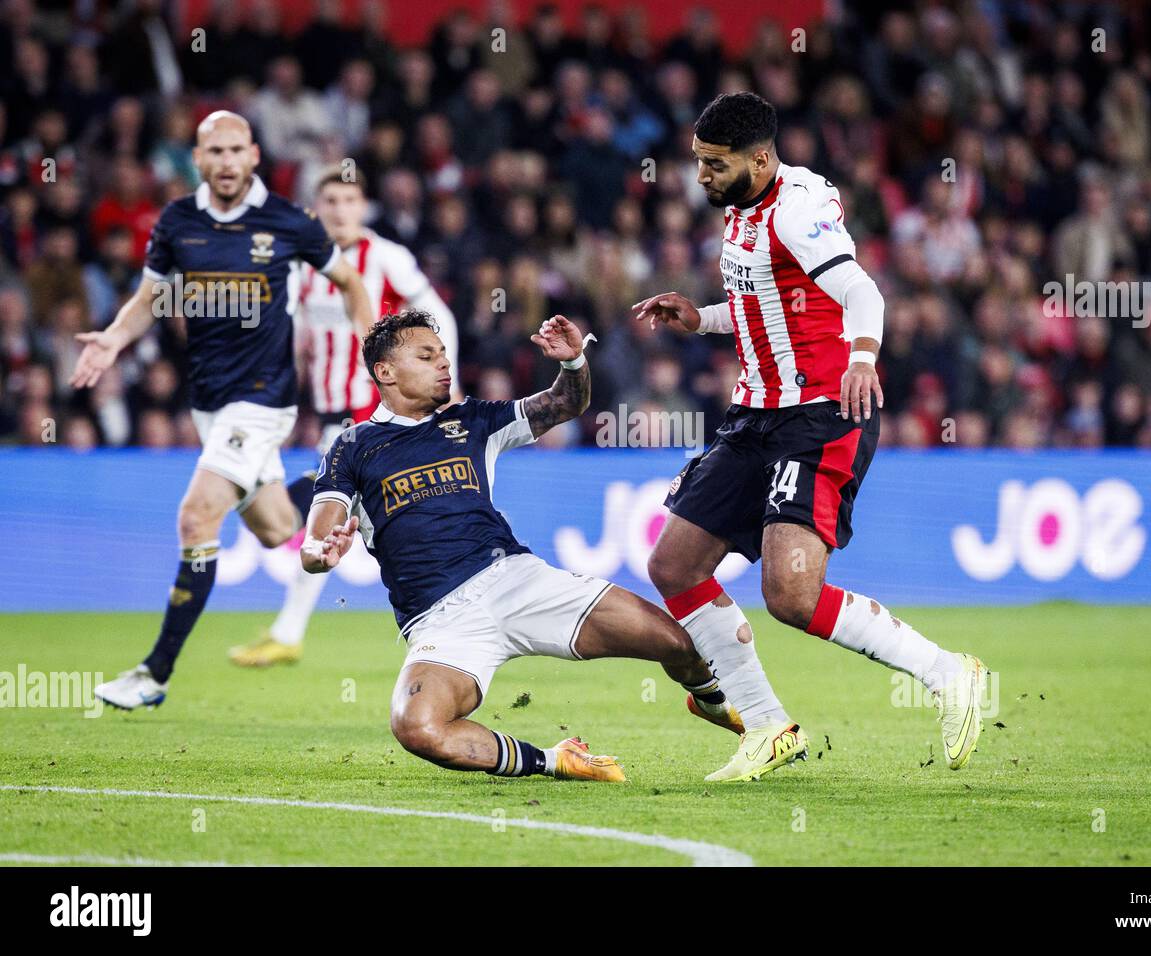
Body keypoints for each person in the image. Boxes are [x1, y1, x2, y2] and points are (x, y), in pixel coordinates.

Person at [633, 92, 986, 782]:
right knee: (674, 567)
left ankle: (948, 673)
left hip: (821, 414)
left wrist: (861, 357)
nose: (700, 176)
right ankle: (767, 727)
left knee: (791, 595)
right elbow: (769, 310)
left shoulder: (798, 211)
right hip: (754, 416)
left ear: (759, 158)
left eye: (714, 164)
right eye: (698, 162)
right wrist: (700, 319)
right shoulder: (742, 210)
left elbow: (864, 295)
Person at [301, 309, 743, 781]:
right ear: (385, 372)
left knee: (677, 643)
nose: (444, 365)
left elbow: (563, 404)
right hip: (441, 622)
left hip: (516, 581)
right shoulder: (353, 446)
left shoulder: (471, 420)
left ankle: (716, 705)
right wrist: (320, 552)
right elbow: (314, 540)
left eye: (444, 354)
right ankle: (558, 760)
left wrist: (573, 363)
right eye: (427, 356)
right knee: (417, 727)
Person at [76, 111, 375, 709]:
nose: (228, 161)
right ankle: (345, 489)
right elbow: (150, 297)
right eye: (216, 151)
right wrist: (113, 337)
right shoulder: (178, 222)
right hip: (211, 403)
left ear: (255, 154)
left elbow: (351, 282)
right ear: (199, 157)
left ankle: (153, 674)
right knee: (276, 529)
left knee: (196, 518)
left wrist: (374, 351)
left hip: (264, 399)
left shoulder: (288, 222)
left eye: (238, 149)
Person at [229, 165, 461, 667]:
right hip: (334, 413)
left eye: (349, 201)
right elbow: (299, 343)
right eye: (330, 201)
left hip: (374, 412)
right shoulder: (304, 268)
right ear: (317, 209)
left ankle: (290, 630)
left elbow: (438, 314)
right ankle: (449, 616)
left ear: (363, 207)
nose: (340, 211)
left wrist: (448, 376)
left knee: (327, 513)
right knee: (368, 522)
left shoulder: (385, 256)